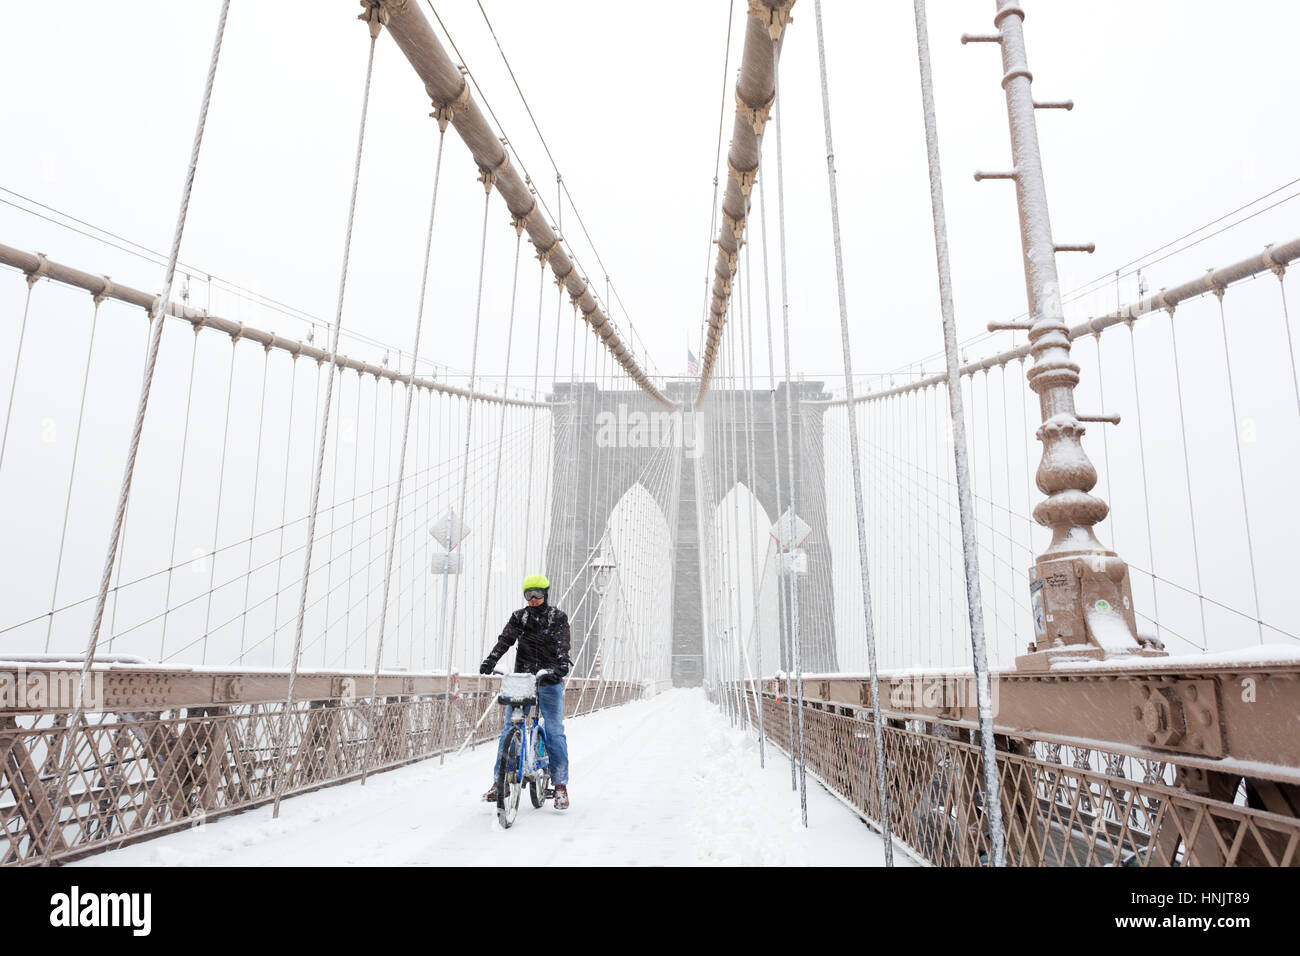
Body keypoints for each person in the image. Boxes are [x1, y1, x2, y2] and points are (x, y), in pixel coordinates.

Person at [480, 573, 573, 810]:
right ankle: (500, 782)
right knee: (510, 728)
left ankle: (560, 786)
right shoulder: (519, 618)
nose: (533, 599)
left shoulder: (558, 618)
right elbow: (505, 640)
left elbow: (563, 644)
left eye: (537, 594)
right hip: (522, 679)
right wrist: (491, 659)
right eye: (528, 594)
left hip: (549, 679)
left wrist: (562, 664)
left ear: (546, 594)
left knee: (554, 731)